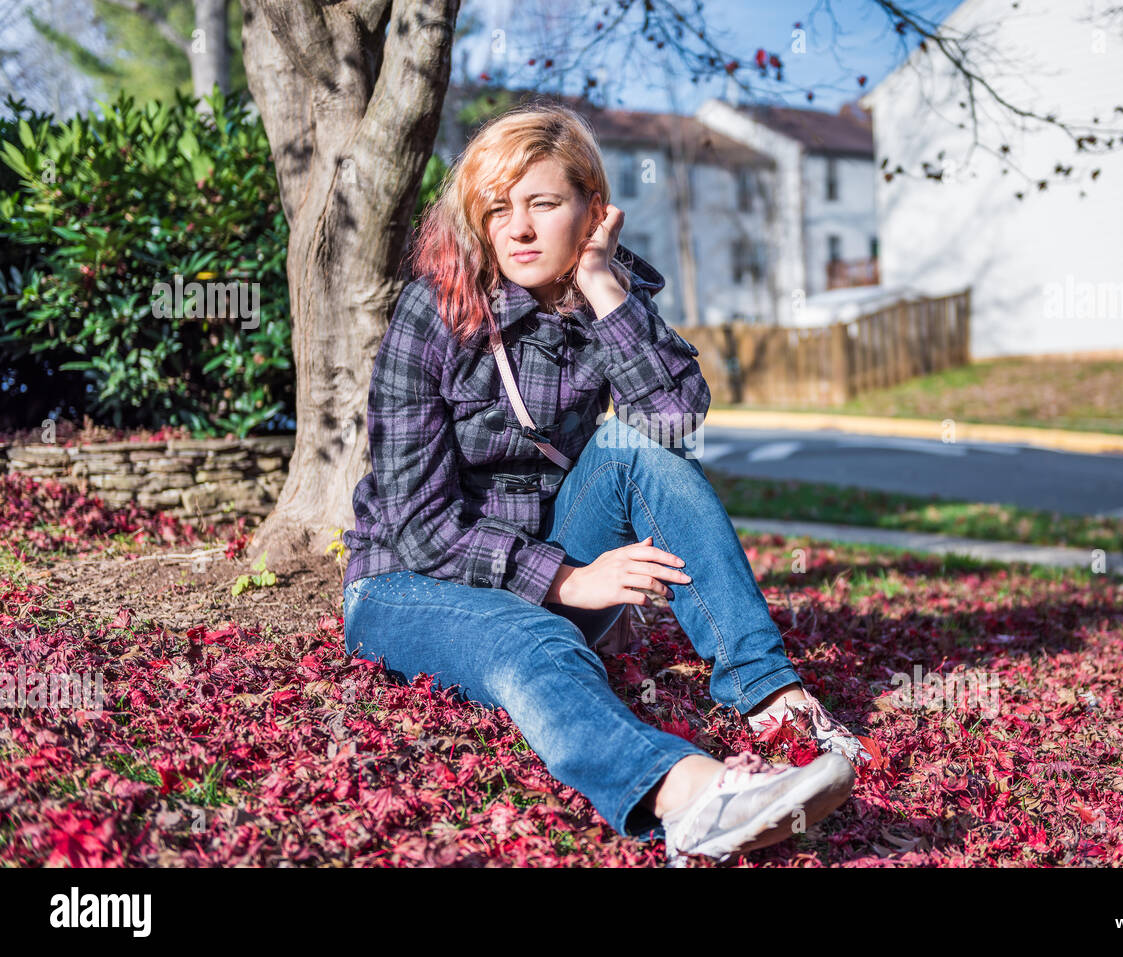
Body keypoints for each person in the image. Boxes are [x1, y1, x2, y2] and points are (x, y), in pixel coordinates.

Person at [341, 101, 869, 866]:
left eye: (544, 204)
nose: (518, 229)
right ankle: (690, 798)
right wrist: (569, 580)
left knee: (634, 444)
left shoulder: (603, 295)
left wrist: (601, 283)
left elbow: (673, 421)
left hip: (548, 562)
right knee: (531, 633)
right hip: (407, 583)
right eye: (497, 208)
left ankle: (774, 700)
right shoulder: (434, 309)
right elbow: (421, 525)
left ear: (592, 208)